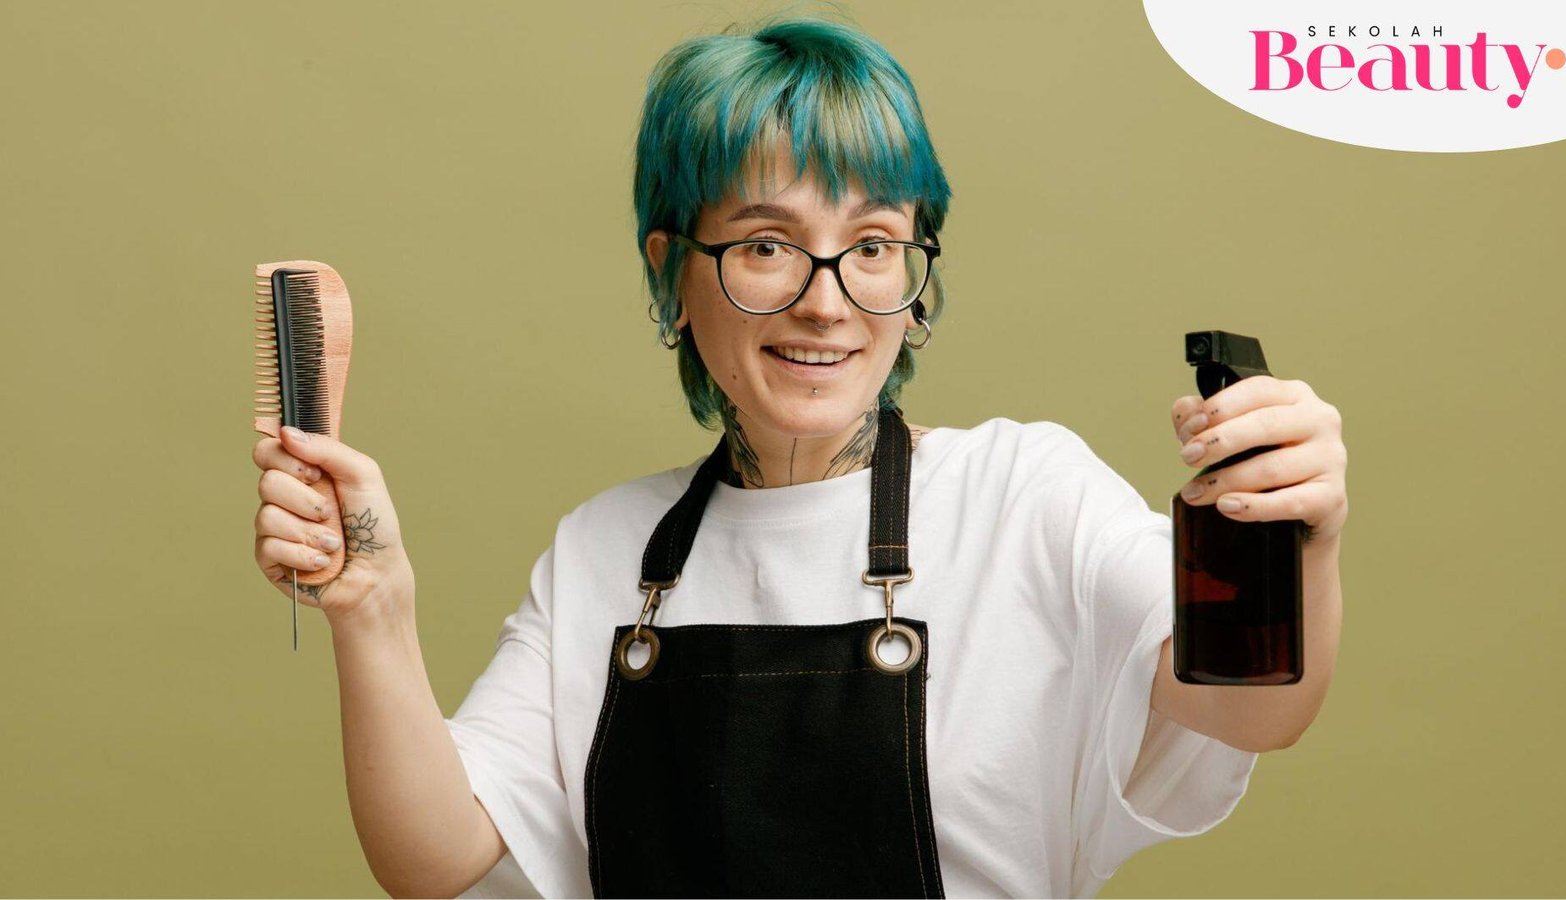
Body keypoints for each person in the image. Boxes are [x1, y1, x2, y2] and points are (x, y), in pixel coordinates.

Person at [250, 13, 1269, 899]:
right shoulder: (608, 551)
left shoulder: (1025, 499)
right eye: (766, 244)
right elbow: (436, 859)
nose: (825, 301)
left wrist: (1288, 535)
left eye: (871, 245)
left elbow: (1252, 700)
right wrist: (375, 611)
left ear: (914, 278)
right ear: (672, 271)